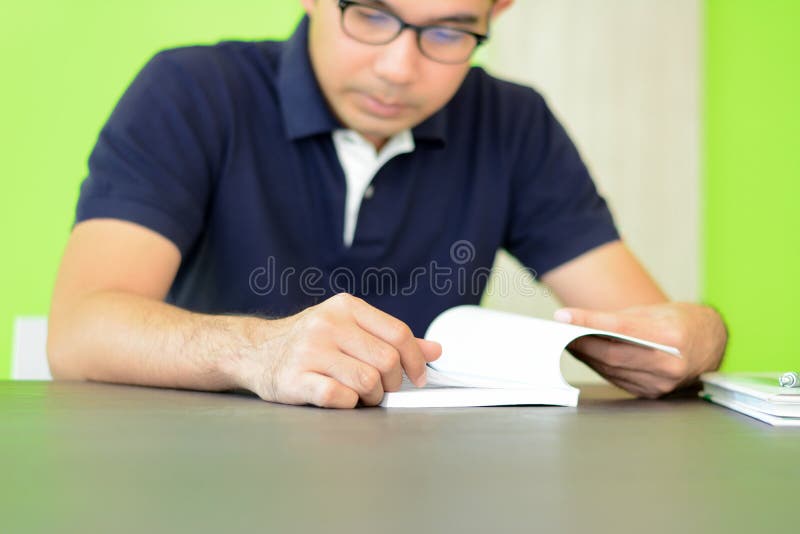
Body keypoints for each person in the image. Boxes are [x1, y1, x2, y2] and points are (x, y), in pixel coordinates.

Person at [47, 0, 728, 408]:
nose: (400, 68)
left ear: (498, 13)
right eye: (371, 14)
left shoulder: (513, 122)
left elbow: (646, 328)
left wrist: (702, 335)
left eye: (449, 32)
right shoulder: (190, 90)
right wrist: (259, 351)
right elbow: (79, 331)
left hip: (432, 491)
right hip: (208, 483)